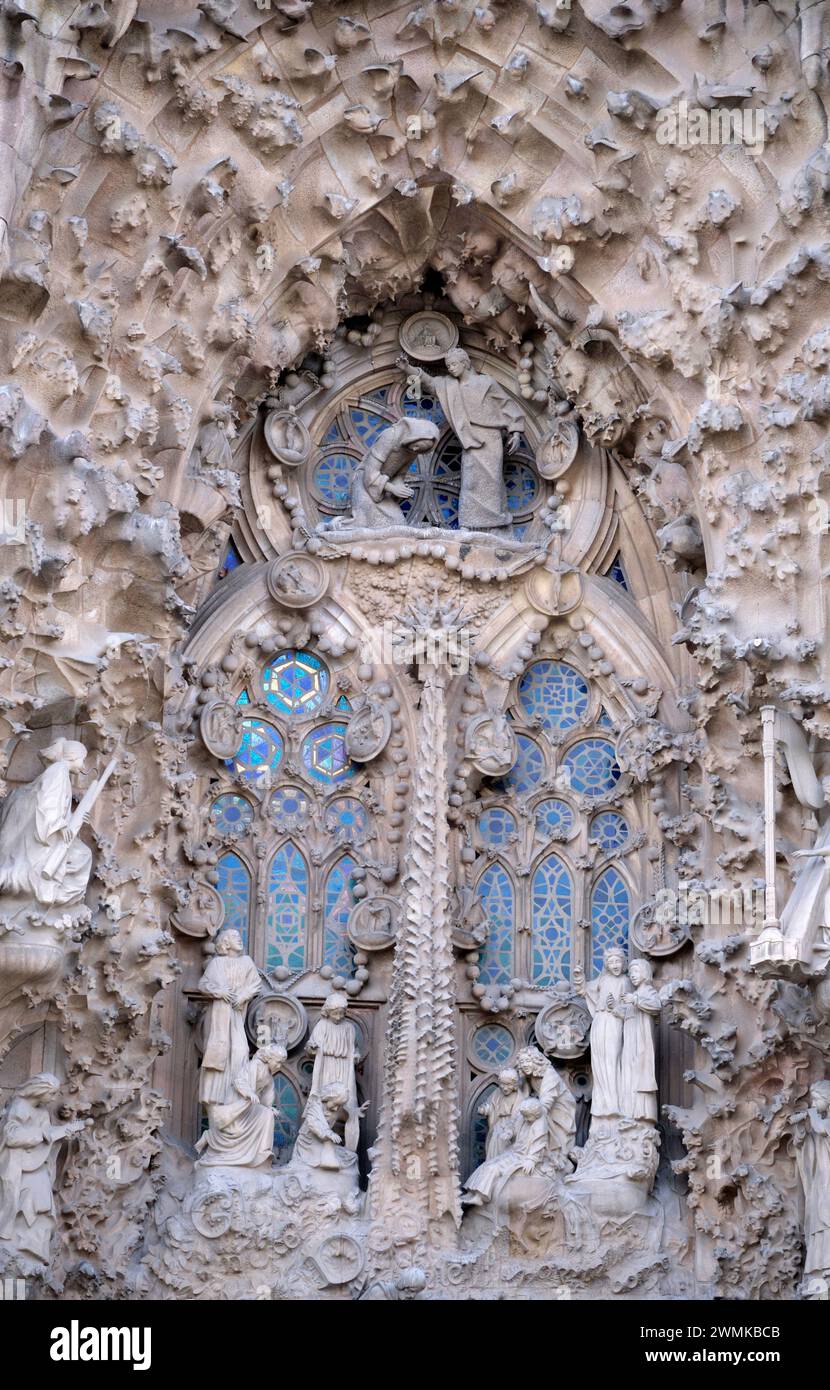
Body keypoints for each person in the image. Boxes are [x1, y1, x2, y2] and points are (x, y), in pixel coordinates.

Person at [403, 348, 524, 531]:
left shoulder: (486, 382)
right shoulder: (450, 385)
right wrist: (407, 369)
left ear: (465, 363)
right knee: (470, 481)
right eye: (448, 366)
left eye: (453, 364)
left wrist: (515, 430)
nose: (450, 369)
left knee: (491, 482)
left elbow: (505, 404)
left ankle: (496, 524)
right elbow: (428, 383)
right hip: (470, 441)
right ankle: (469, 523)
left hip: (489, 438)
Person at [0, 1073, 88, 1263]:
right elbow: (12, 1137)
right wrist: (43, 1134)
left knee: (42, 1200)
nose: (55, 1098)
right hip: (13, 1163)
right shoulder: (20, 1107)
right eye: (52, 1094)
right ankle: (11, 1242)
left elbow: (46, 1143)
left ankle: (33, 1248)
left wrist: (60, 1135)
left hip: (34, 1165)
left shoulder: (42, 1113)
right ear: (40, 1091)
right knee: (13, 1199)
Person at [0, 740, 92, 907]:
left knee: (82, 854)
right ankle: (55, 897)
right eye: (82, 759)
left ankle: (56, 897)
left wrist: (75, 819)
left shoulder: (61, 772)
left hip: (48, 828)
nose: (84, 765)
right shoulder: (58, 770)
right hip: (43, 832)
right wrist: (59, 825)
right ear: (72, 757)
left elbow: (59, 808)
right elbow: (48, 801)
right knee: (82, 855)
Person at [195, 1042, 287, 1168]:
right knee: (236, 1128)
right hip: (238, 1101)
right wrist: (249, 1093)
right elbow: (240, 1081)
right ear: (269, 1059)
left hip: (250, 1105)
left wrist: (269, 1107)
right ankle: (212, 1138)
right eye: (277, 1062)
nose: (279, 1066)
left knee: (267, 1114)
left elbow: (267, 1097)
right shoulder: (256, 1065)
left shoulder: (269, 1077)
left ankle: (263, 1152)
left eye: (281, 1064)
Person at [197, 929, 262, 1107]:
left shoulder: (246, 962)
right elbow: (203, 984)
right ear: (225, 943)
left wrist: (243, 996)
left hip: (237, 1013)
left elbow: (256, 984)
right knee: (220, 1052)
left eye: (240, 937)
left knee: (240, 1051)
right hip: (219, 1016)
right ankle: (217, 1097)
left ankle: (237, 1093)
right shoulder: (217, 963)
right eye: (234, 937)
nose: (239, 939)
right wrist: (219, 992)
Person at [573, 948, 629, 1119]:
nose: (615, 965)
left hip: (614, 1021)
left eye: (618, 961)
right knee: (599, 1062)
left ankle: (614, 1103)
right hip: (599, 1021)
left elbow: (630, 1007)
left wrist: (615, 1007)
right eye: (611, 962)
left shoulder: (626, 981)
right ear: (606, 964)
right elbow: (583, 991)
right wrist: (579, 976)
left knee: (612, 1060)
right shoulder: (602, 979)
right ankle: (601, 1105)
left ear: (623, 962)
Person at [463, 1097, 548, 1206]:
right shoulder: (523, 1117)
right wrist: (509, 1132)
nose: (526, 1119)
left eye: (528, 1116)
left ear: (536, 1114)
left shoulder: (540, 1125)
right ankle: (473, 1193)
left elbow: (539, 1145)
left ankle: (480, 1197)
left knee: (493, 1168)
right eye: (525, 1116)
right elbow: (513, 1126)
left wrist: (531, 1160)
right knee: (488, 1164)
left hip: (521, 1158)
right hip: (514, 1152)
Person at [306, 992, 360, 1151]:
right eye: (335, 1013)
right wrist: (312, 1048)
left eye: (341, 1013)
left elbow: (355, 1048)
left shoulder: (349, 1028)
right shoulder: (322, 1025)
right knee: (326, 1102)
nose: (338, 1017)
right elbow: (310, 1045)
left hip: (345, 1068)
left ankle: (348, 1148)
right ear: (327, 1012)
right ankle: (320, 1144)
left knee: (347, 1102)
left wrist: (356, 1054)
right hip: (326, 1067)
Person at [792, 1080, 830, 1284]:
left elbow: (823, 1130)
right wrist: (800, 1131)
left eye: (817, 1099)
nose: (814, 1104)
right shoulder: (819, 1125)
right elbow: (808, 1150)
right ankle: (819, 1268)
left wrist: (812, 1116)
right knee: (818, 1220)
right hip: (820, 1181)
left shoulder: (823, 1124)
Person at [515, 1046, 576, 1163]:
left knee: (558, 1143)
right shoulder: (529, 1077)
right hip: (541, 1106)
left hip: (560, 1110)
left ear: (536, 1060)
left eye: (528, 1061)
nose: (524, 1065)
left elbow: (546, 1103)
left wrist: (532, 1110)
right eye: (522, 1062)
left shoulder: (550, 1075)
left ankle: (553, 1159)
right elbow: (524, 1097)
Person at [619, 958, 661, 1122]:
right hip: (630, 1039)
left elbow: (656, 1006)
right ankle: (630, 1111)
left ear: (644, 972)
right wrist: (615, 1009)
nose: (632, 976)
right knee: (629, 1072)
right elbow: (629, 1015)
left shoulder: (648, 992)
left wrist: (635, 1000)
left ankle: (643, 1113)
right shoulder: (634, 994)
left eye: (635, 972)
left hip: (642, 1040)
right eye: (630, 973)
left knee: (640, 1072)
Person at [478, 1069, 522, 1159]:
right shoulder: (497, 1093)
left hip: (511, 1126)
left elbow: (520, 1116)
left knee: (507, 1150)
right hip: (498, 1125)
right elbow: (491, 1106)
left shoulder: (519, 1097)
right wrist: (485, 1109)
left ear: (515, 1085)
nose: (505, 1088)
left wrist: (511, 1129)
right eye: (502, 1084)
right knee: (494, 1148)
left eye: (508, 1085)